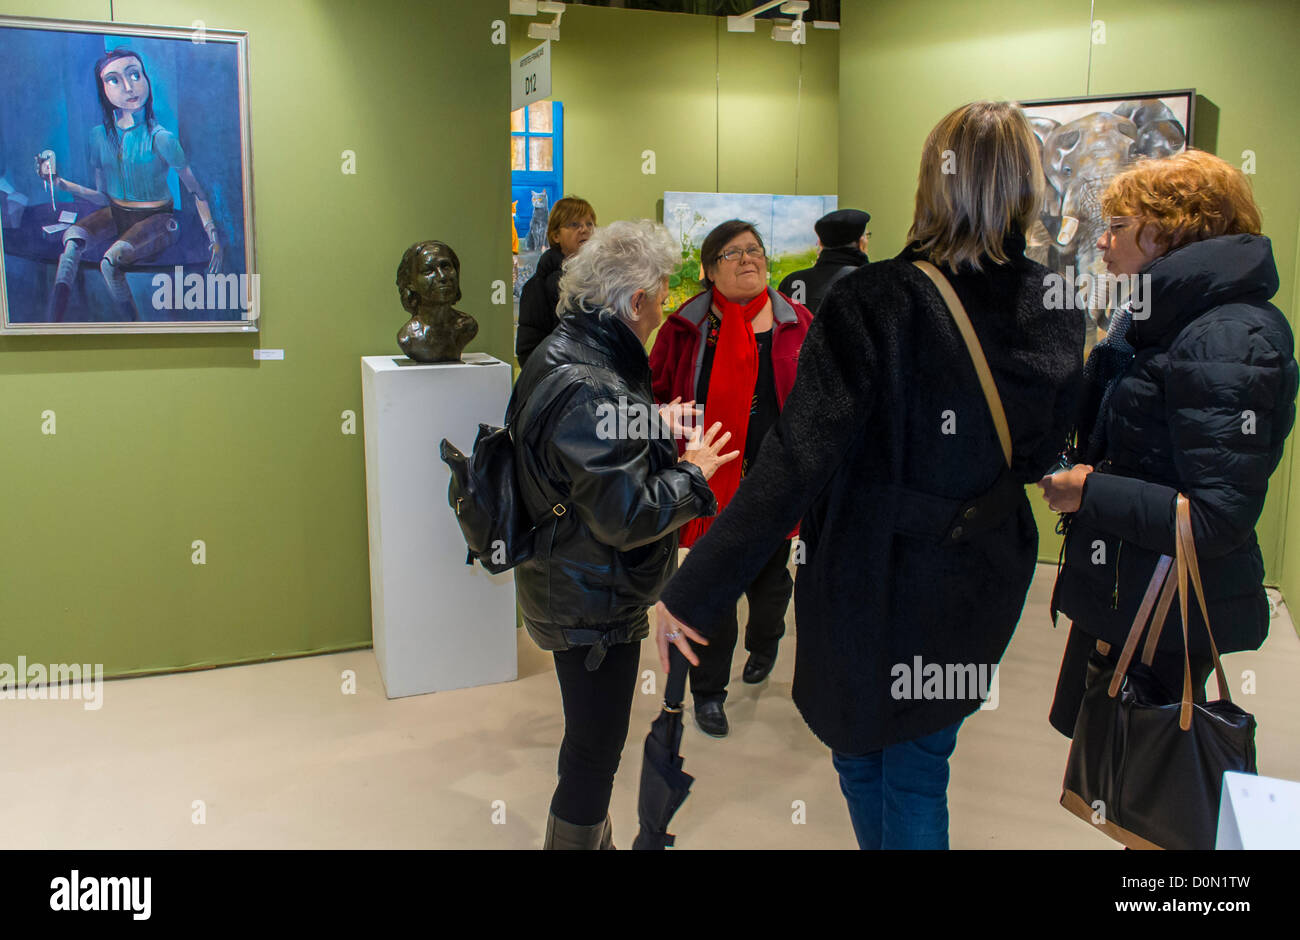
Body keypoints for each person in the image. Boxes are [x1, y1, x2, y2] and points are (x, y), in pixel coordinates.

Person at [654, 101, 1084, 849]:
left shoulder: (876, 298)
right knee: (921, 761)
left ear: (932, 183)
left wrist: (694, 589)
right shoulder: (1052, 300)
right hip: (980, 574)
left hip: (876, 578)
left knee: (868, 756)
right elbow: (1034, 453)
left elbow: (796, 458)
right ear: (1024, 186)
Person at [1040, 149, 1297, 738]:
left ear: (1172, 229)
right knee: (1118, 779)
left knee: (1148, 791)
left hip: (1162, 604)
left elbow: (1214, 517)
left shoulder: (1227, 335)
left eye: (1117, 227)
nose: (1102, 244)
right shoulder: (1167, 318)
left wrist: (1090, 492)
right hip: (1133, 588)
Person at [510, 219, 740, 850]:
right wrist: (694, 476)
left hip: (571, 583)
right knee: (594, 748)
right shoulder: (593, 381)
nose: (664, 311)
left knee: (589, 739)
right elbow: (626, 514)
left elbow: (584, 465)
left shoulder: (567, 352)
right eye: (662, 298)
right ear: (634, 301)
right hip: (589, 601)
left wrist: (647, 423)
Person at [649, 220, 813, 738]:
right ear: (709, 268)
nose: (748, 259)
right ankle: (709, 694)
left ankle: (765, 643)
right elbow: (652, 394)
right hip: (713, 483)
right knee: (714, 591)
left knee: (769, 585)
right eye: (732, 253)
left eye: (755, 250)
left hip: (777, 480)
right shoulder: (686, 326)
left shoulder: (798, 321)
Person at [39, 48, 222, 322]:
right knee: (72, 242)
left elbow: (197, 191)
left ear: (145, 79)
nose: (128, 87)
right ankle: (51, 326)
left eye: (134, 75)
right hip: (116, 212)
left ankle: (134, 327)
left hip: (158, 219)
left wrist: (213, 236)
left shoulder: (161, 138)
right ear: (103, 90)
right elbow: (103, 198)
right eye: (114, 80)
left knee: (110, 264)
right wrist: (60, 183)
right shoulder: (98, 137)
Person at [515, 195, 596, 368]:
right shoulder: (538, 286)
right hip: (564, 384)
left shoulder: (604, 281)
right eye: (574, 224)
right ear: (556, 235)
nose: (584, 230)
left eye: (589, 224)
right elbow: (528, 352)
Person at [778, 208, 872, 314]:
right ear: (861, 242)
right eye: (867, 235)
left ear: (821, 244)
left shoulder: (792, 282)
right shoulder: (870, 280)